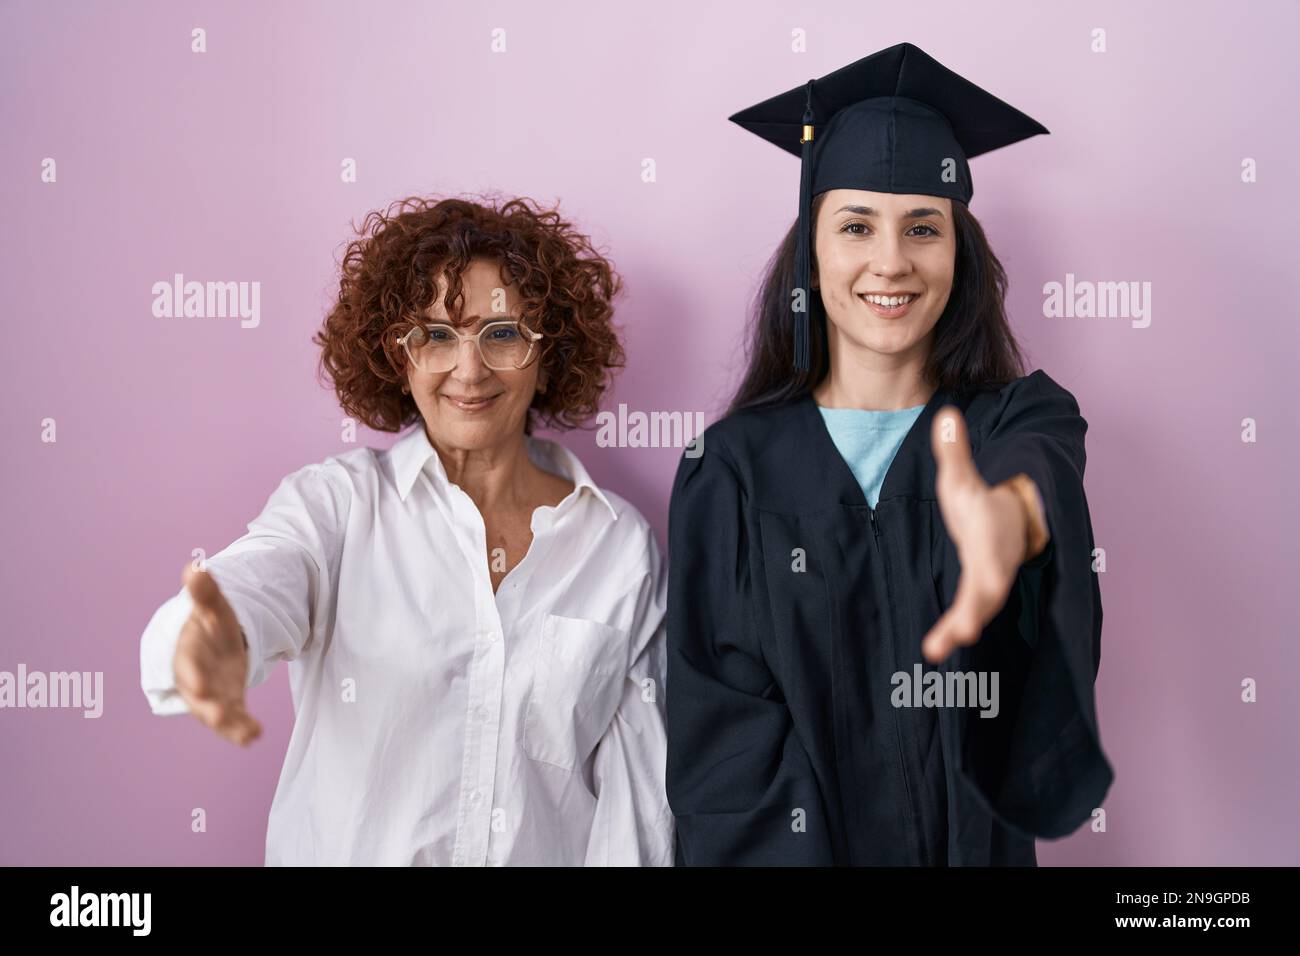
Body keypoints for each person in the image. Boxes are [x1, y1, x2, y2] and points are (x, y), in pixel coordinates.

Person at [665, 42, 1114, 865]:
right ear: (813, 250)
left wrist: (1009, 519)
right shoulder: (730, 470)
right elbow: (723, 753)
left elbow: (1037, 481)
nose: (891, 261)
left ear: (958, 251)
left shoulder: (1017, 423)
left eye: (922, 228)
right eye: (856, 226)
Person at [139, 195, 674, 866]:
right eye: (437, 335)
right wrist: (212, 639)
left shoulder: (618, 547)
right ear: (398, 354)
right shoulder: (338, 506)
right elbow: (263, 577)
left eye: (502, 333)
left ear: (549, 351)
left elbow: (637, 810)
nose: (470, 370)